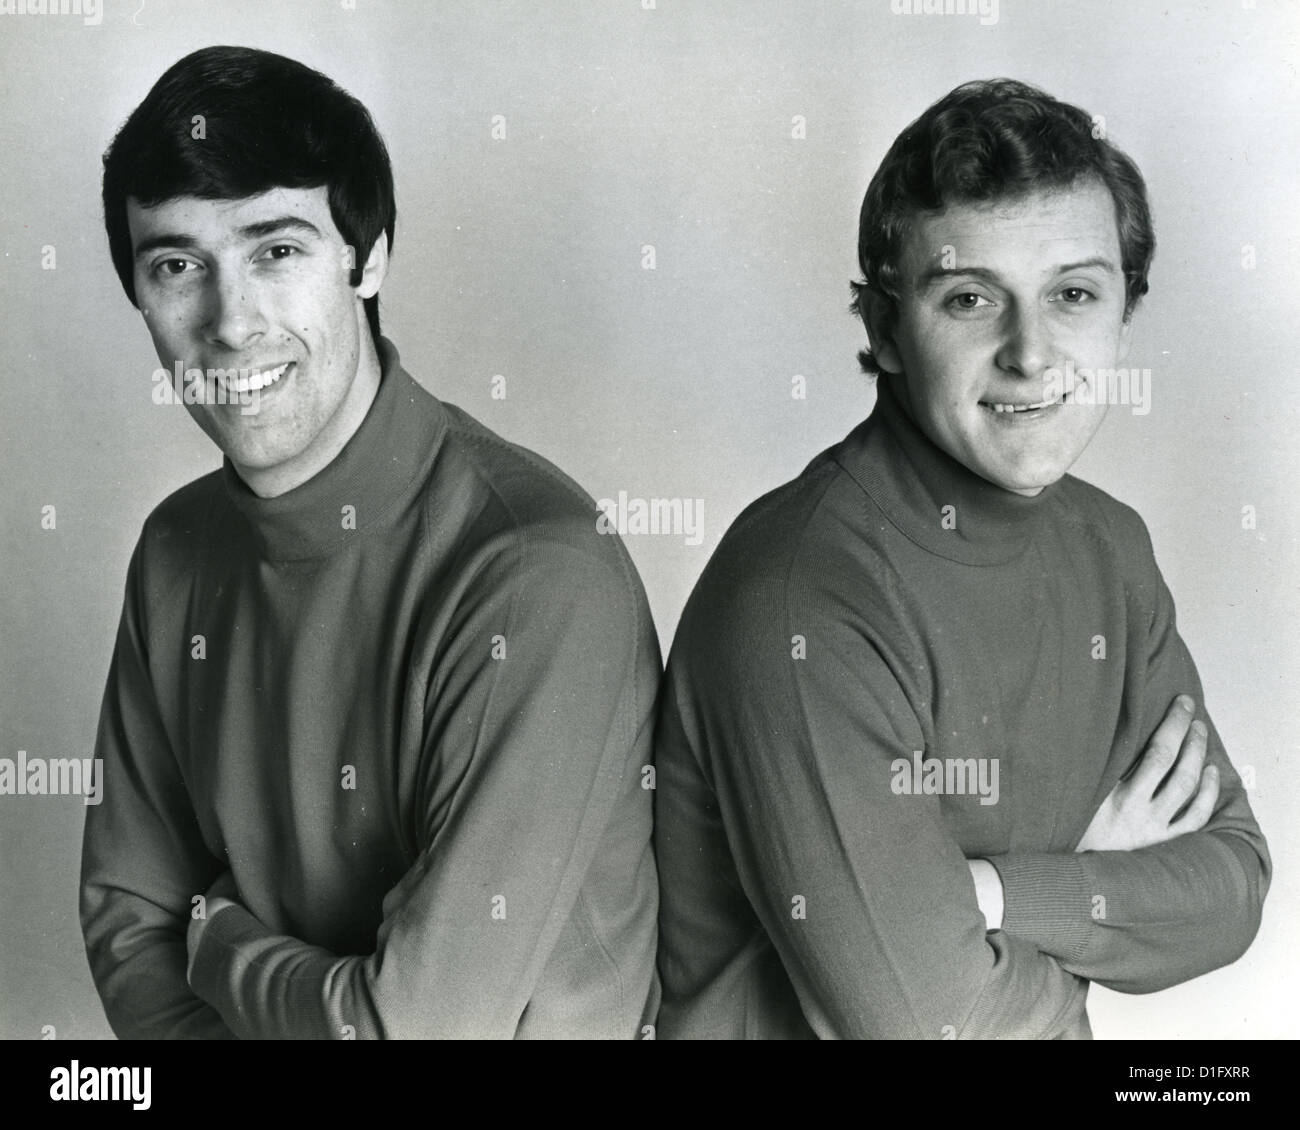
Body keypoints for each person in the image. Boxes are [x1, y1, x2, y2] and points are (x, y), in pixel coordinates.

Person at [653, 78, 1270, 1039]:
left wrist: (985, 899)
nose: (1032, 353)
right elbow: (933, 1023)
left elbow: (1232, 886)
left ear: (1124, 313)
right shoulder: (800, 599)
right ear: (886, 330)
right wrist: (1091, 878)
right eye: (972, 298)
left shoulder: (1110, 549)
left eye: (1073, 293)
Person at [81, 45, 660, 1039]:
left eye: (277, 250)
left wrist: (216, 939)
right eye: (177, 265)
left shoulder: (533, 573)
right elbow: (128, 922)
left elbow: (413, 1026)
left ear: (369, 255)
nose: (231, 321)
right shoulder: (175, 550)